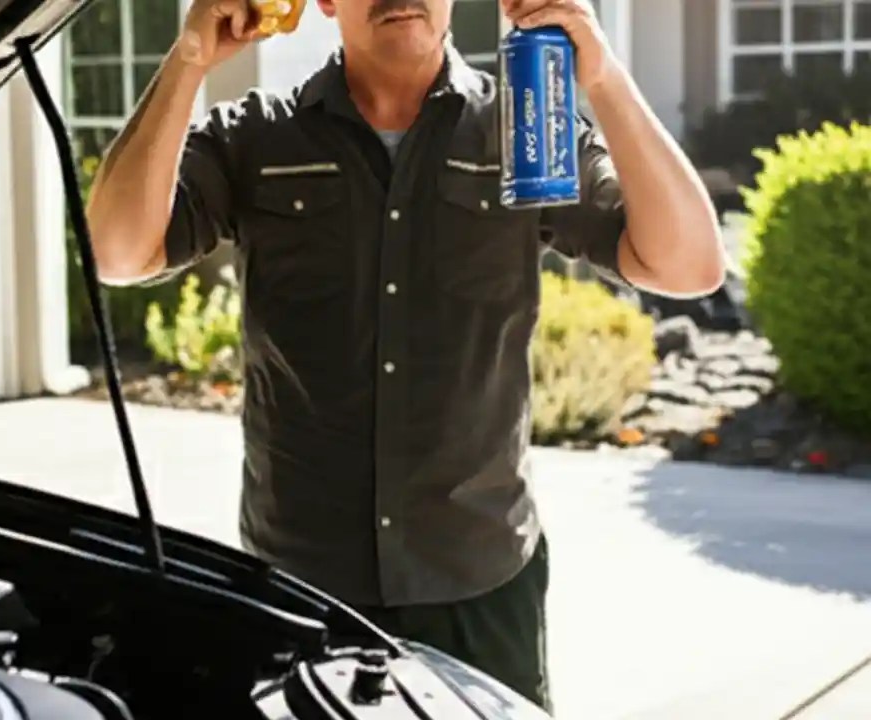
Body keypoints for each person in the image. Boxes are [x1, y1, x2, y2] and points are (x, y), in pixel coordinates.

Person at [85, 0, 725, 710]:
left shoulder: (523, 129)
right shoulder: (257, 135)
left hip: (480, 584)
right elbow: (117, 252)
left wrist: (602, 77)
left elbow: (688, 265)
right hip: (301, 585)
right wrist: (188, 62)